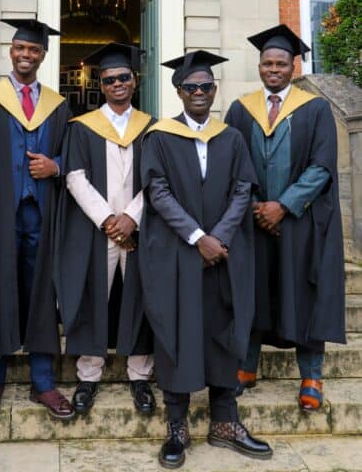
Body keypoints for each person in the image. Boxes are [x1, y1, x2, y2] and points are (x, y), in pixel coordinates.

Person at [140, 50, 273, 469]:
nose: (199, 93)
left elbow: (242, 190)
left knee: (223, 330)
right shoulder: (159, 137)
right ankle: (177, 426)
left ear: (214, 91)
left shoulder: (230, 137)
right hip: (177, 256)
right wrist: (198, 237)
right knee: (176, 332)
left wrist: (218, 237)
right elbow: (157, 192)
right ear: (178, 92)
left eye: (206, 86)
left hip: (223, 255)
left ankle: (225, 422)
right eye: (190, 87)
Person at [225, 24, 345, 411]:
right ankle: (245, 367)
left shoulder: (315, 109)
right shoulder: (241, 109)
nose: (273, 69)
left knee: (306, 292)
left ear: (293, 66)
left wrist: (284, 204)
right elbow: (232, 163)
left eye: (280, 63)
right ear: (259, 66)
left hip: (300, 222)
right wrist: (257, 205)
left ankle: (311, 375)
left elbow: (322, 167)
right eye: (267, 63)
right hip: (252, 219)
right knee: (252, 290)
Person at [0, 19, 75, 421]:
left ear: (43, 55)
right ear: (10, 50)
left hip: (42, 214)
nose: (25, 55)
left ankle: (42, 381)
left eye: (33, 50)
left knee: (41, 294)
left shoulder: (59, 104)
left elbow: (76, 154)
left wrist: (56, 166)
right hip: (0, 213)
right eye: (20, 48)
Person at [55, 43, 156, 417]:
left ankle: (140, 375)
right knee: (93, 296)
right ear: (101, 83)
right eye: (110, 79)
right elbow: (75, 178)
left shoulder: (151, 127)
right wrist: (109, 221)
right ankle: (89, 375)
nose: (117, 83)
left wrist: (132, 216)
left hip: (138, 227)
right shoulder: (82, 127)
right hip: (98, 229)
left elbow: (158, 180)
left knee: (140, 297)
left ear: (134, 80)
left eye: (123, 78)